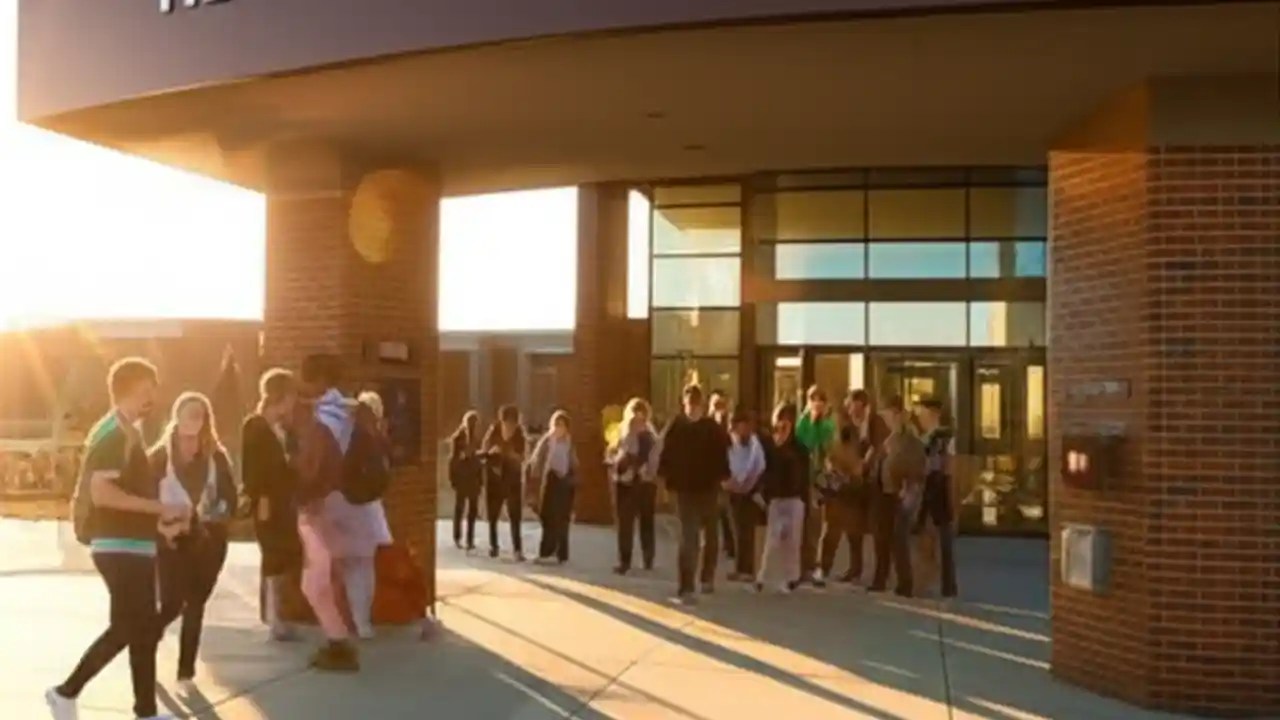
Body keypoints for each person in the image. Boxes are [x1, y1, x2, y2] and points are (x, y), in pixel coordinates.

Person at [48, 357, 186, 720]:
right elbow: (102, 493)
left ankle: (143, 710)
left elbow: (125, 493)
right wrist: (159, 509)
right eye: (146, 392)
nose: (151, 399)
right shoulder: (113, 433)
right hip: (119, 547)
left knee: (138, 628)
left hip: (132, 545)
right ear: (127, 391)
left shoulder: (126, 431)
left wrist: (160, 526)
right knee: (133, 626)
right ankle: (67, 692)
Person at [150, 392, 237, 691]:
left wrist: (217, 516)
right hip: (171, 540)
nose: (193, 421)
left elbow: (229, 498)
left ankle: (185, 672)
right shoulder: (159, 457)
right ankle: (147, 639)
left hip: (207, 540)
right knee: (172, 602)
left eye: (199, 415)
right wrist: (161, 526)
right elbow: (145, 499)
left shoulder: (217, 456)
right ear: (176, 416)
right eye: (188, 414)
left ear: (206, 420)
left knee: (196, 602)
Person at [293, 354, 358, 671]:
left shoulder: (326, 419)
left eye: (307, 379)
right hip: (340, 502)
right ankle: (339, 640)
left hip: (320, 505)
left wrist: (304, 492)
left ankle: (340, 644)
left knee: (314, 583)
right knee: (327, 578)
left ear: (318, 380)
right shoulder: (347, 411)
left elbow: (317, 465)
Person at [241, 368, 303, 642]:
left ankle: (279, 613)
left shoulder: (281, 428)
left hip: (284, 501)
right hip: (268, 501)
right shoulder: (255, 426)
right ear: (282, 395)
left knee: (285, 555)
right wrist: (260, 499)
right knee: (273, 556)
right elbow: (252, 469)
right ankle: (274, 616)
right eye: (291, 396)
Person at [657, 383, 730, 605]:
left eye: (696, 404)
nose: (692, 408)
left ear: (701, 404)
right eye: (689, 404)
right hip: (685, 490)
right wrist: (665, 484)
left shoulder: (712, 428)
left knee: (711, 536)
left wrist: (723, 480)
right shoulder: (676, 427)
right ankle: (686, 585)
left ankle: (707, 577)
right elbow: (665, 457)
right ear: (684, 403)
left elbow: (722, 456)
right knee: (689, 538)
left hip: (708, 489)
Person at [336, 390, 395, 639]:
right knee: (365, 563)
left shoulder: (344, 433)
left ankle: (355, 618)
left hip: (344, 502)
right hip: (368, 505)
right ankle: (363, 620)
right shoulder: (374, 436)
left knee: (351, 564)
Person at [819, 389, 887, 585]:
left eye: (853, 406)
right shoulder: (844, 425)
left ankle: (868, 573)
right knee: (841, 528)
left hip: (870, 484)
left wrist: (863, 465)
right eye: (848, 406)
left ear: (864, 405)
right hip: (845, 483)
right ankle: (833, 568)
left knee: (866, 530)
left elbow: (878, 448)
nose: (850, 410)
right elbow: (834, 448)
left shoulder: (876, 423)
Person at [869, 394, 926, 597]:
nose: (887, 419)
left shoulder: (911, 441)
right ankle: (880, 579)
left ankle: (905, 583)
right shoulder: (888, 439)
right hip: (883, 494)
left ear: (899, 414)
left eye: (890, 415)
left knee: (898, 541)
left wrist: (907, 488)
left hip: (900, 495)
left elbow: (916, 469)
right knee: (881, 538)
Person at [755, 402, 809, 594]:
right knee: (773, 539)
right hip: (777, 499)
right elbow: (765, 470)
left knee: (792, 541)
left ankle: (791, 577)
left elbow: (804, 475)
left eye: (785, 425)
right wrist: (762, 493)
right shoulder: (770, 446)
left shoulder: (799, 448)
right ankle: (763, 575)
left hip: (794, 499)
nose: (781, 429)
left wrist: (805, 499)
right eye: (778, 424)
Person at [610, 398, 660, 575]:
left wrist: (647, 473)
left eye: (641, 416)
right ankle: (625, 560)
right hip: (624, 482)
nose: (637, 420)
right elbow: (614, 453)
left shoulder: (650, 437)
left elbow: (654, 460)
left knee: (645, 521)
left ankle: (648, 557)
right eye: (634, 415)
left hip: (643, 484)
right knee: (625, 523)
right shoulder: (622, 433)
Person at [916, 397, 958, 599]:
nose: (920, 417)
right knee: (937, 539)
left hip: (936, 488)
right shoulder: (929, 435)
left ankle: (945, 584)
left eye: (923, 413)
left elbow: (944, 464)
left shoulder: (940, 436)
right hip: (933, 487)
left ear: (932, 414)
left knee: (940, 539)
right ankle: (941, 583)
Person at [795, 386, 837, 587]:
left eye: (821, 399)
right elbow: (803, 446)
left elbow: (830, 448)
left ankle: (812, 566)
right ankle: (801, 566)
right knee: (804, 524)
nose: (817, 403)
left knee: (817, 525)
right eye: (813, 399)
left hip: (821, 480)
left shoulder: (828, 425)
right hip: (804, 478)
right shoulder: (803, 423)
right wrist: (811, 421)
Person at [529, 410, 579, 565]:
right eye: (556, 424)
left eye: (562, 425)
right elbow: (537, 461)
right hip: (549, 480)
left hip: (564, 483)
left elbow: (574, 464)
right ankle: (546, 551)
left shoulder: (569, 443)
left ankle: (561, 554)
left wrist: (572, 478)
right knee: (548, 517)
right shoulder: (547, 441)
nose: (559, 428)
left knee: (562, 519)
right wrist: (534, 482)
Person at [723, 408, 765, 582]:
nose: (745, 430)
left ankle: (747, 569)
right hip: (733, 488)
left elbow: (759, 464)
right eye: (741, 426)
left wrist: (748, 483)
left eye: (747, 426)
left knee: (746, 529)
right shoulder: (729, 441)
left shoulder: (754, 443)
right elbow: (725, 462)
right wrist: (729, 482)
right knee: (737, 530)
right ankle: (741, 568)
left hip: (749, 489)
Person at [481, 405, 527, 561]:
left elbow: (522, 457)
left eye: (512, 424)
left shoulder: (519, 435)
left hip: (512, 479)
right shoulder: (493, 431)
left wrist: (509, 452)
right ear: (501, 421)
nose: (509, 427)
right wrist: (491, 451)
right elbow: (484, 450)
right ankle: (493, 546)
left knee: (515, 515)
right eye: (507, 423)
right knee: (493, 514)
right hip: (494, 478)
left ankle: (517, 549)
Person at [448, 411, 484, 551]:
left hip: (473, 477)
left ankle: (470, 539)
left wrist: (481, 479)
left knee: (473, 510)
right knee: (460, 508)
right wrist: (453, 477)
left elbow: (479, 459)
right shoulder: (458, 438)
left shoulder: (477, 438)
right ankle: (457, 536)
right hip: (463, 477)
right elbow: (453, 459)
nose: (473, 426)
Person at [708, 390, 736, 562]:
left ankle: (730, 544)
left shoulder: (730, 424)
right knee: (716, 511)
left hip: (728, 471)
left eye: (722, 404)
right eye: (717, 404)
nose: (720, 408)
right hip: (712, 472)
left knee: (727, 511)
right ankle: (723, 543)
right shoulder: (707, 424)